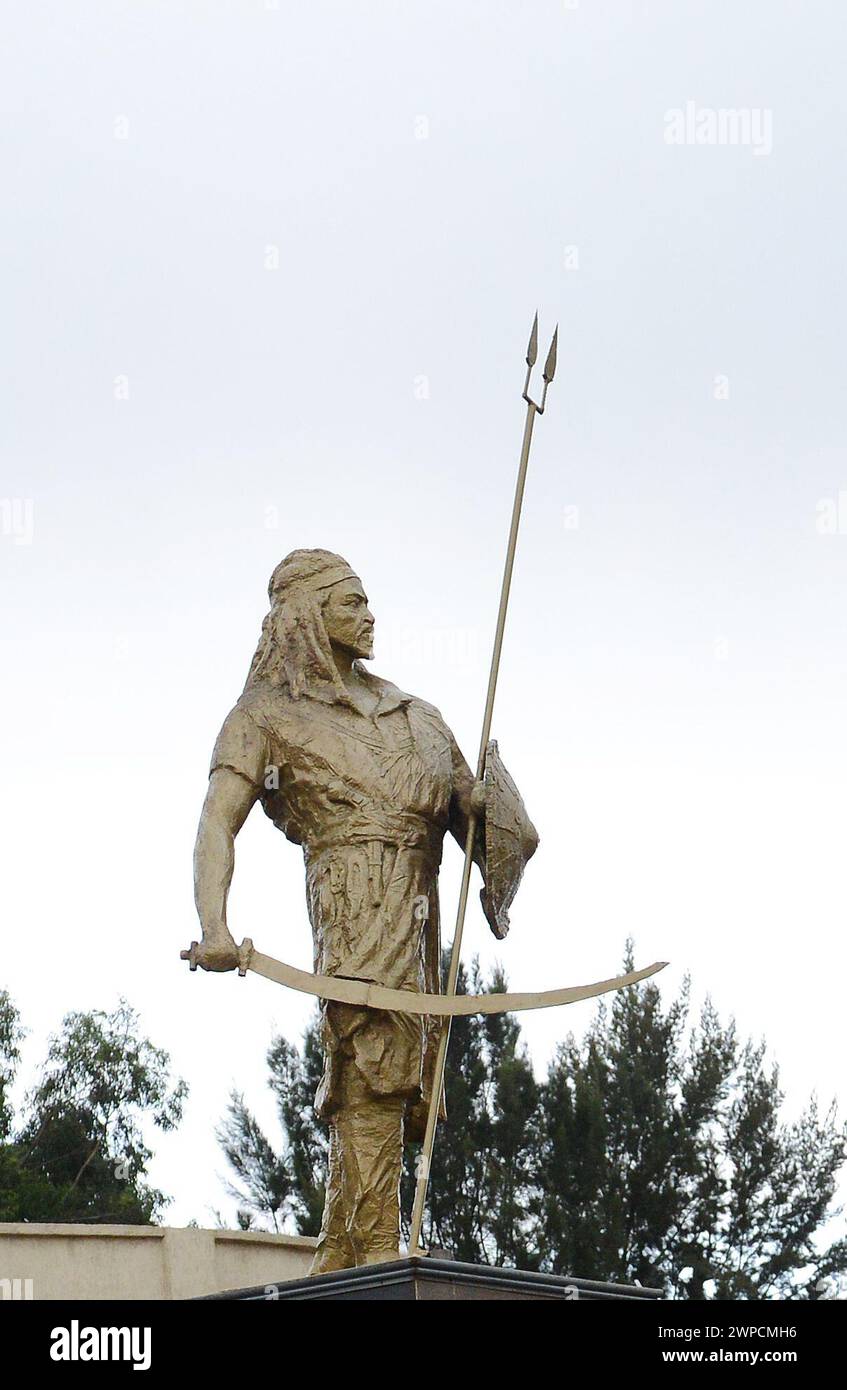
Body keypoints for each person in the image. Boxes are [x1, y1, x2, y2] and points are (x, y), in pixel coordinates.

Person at [191, 549, 520, 1272]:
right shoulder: (265, 715)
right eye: (350, 604)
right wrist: (213, 926)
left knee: (402, 1069)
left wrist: (491, 811)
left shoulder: (418, 718)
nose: (368, 617)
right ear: (307, 617)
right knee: (371, 1056)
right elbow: (218, 818)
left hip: (418, 903)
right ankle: (372, 1245)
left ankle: (343, 1245)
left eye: (367, 603)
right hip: (350, 892)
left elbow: (474, 822)